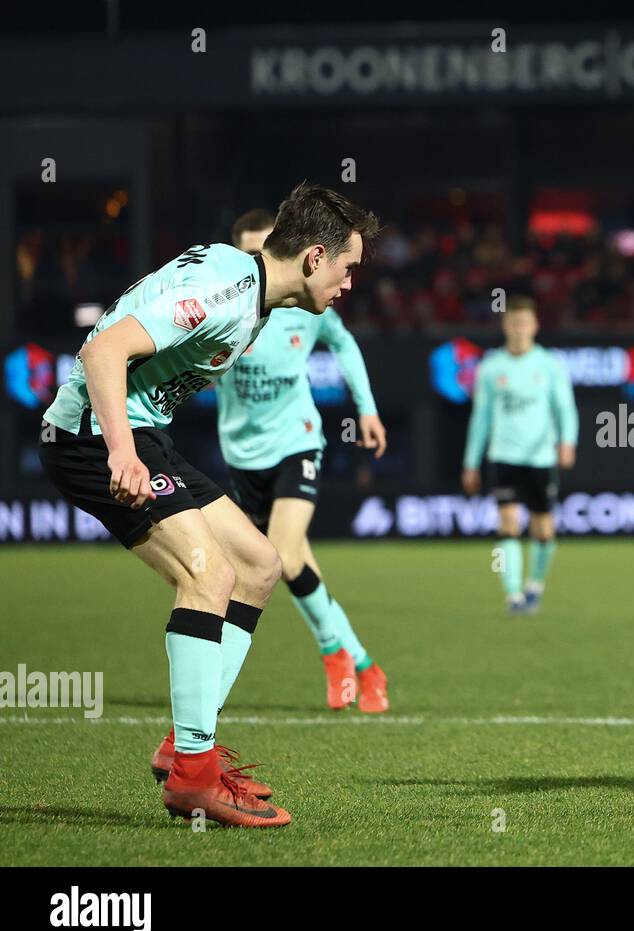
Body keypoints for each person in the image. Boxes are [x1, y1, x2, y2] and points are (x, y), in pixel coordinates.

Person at [38, 184, 380, 827]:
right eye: (348, 267)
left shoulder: (255, 298)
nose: (349, 283)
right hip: (91, 437)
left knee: (258, 562)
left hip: (146, 434)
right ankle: (194, 774)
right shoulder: (226, 291)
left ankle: (183, 747)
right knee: (209, 574)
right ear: (313, 257)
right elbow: (102, 348)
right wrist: (121, 452)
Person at [215, 208, 389, 711]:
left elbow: (345, 345)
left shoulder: (306, 308)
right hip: (242, 456)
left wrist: (368, 409)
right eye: (248, 251)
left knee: (282, 557)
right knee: (296, 563)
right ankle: (362, 663)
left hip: (298, 444)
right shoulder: (228, 309)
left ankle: (336, 655)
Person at [461, 297, 578, 614]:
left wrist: (567, 441)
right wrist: (471, 462)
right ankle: (513, 595)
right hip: (504, 455)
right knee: (508, 522)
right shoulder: (490, 367)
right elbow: (481, 417)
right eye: (514, 323)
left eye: (525, 323)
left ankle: (535, 585)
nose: (519, 329)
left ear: (535, 326)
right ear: (505, 325)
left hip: (540, 456)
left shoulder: (549, 364)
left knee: (543, 526)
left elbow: (564, 407)